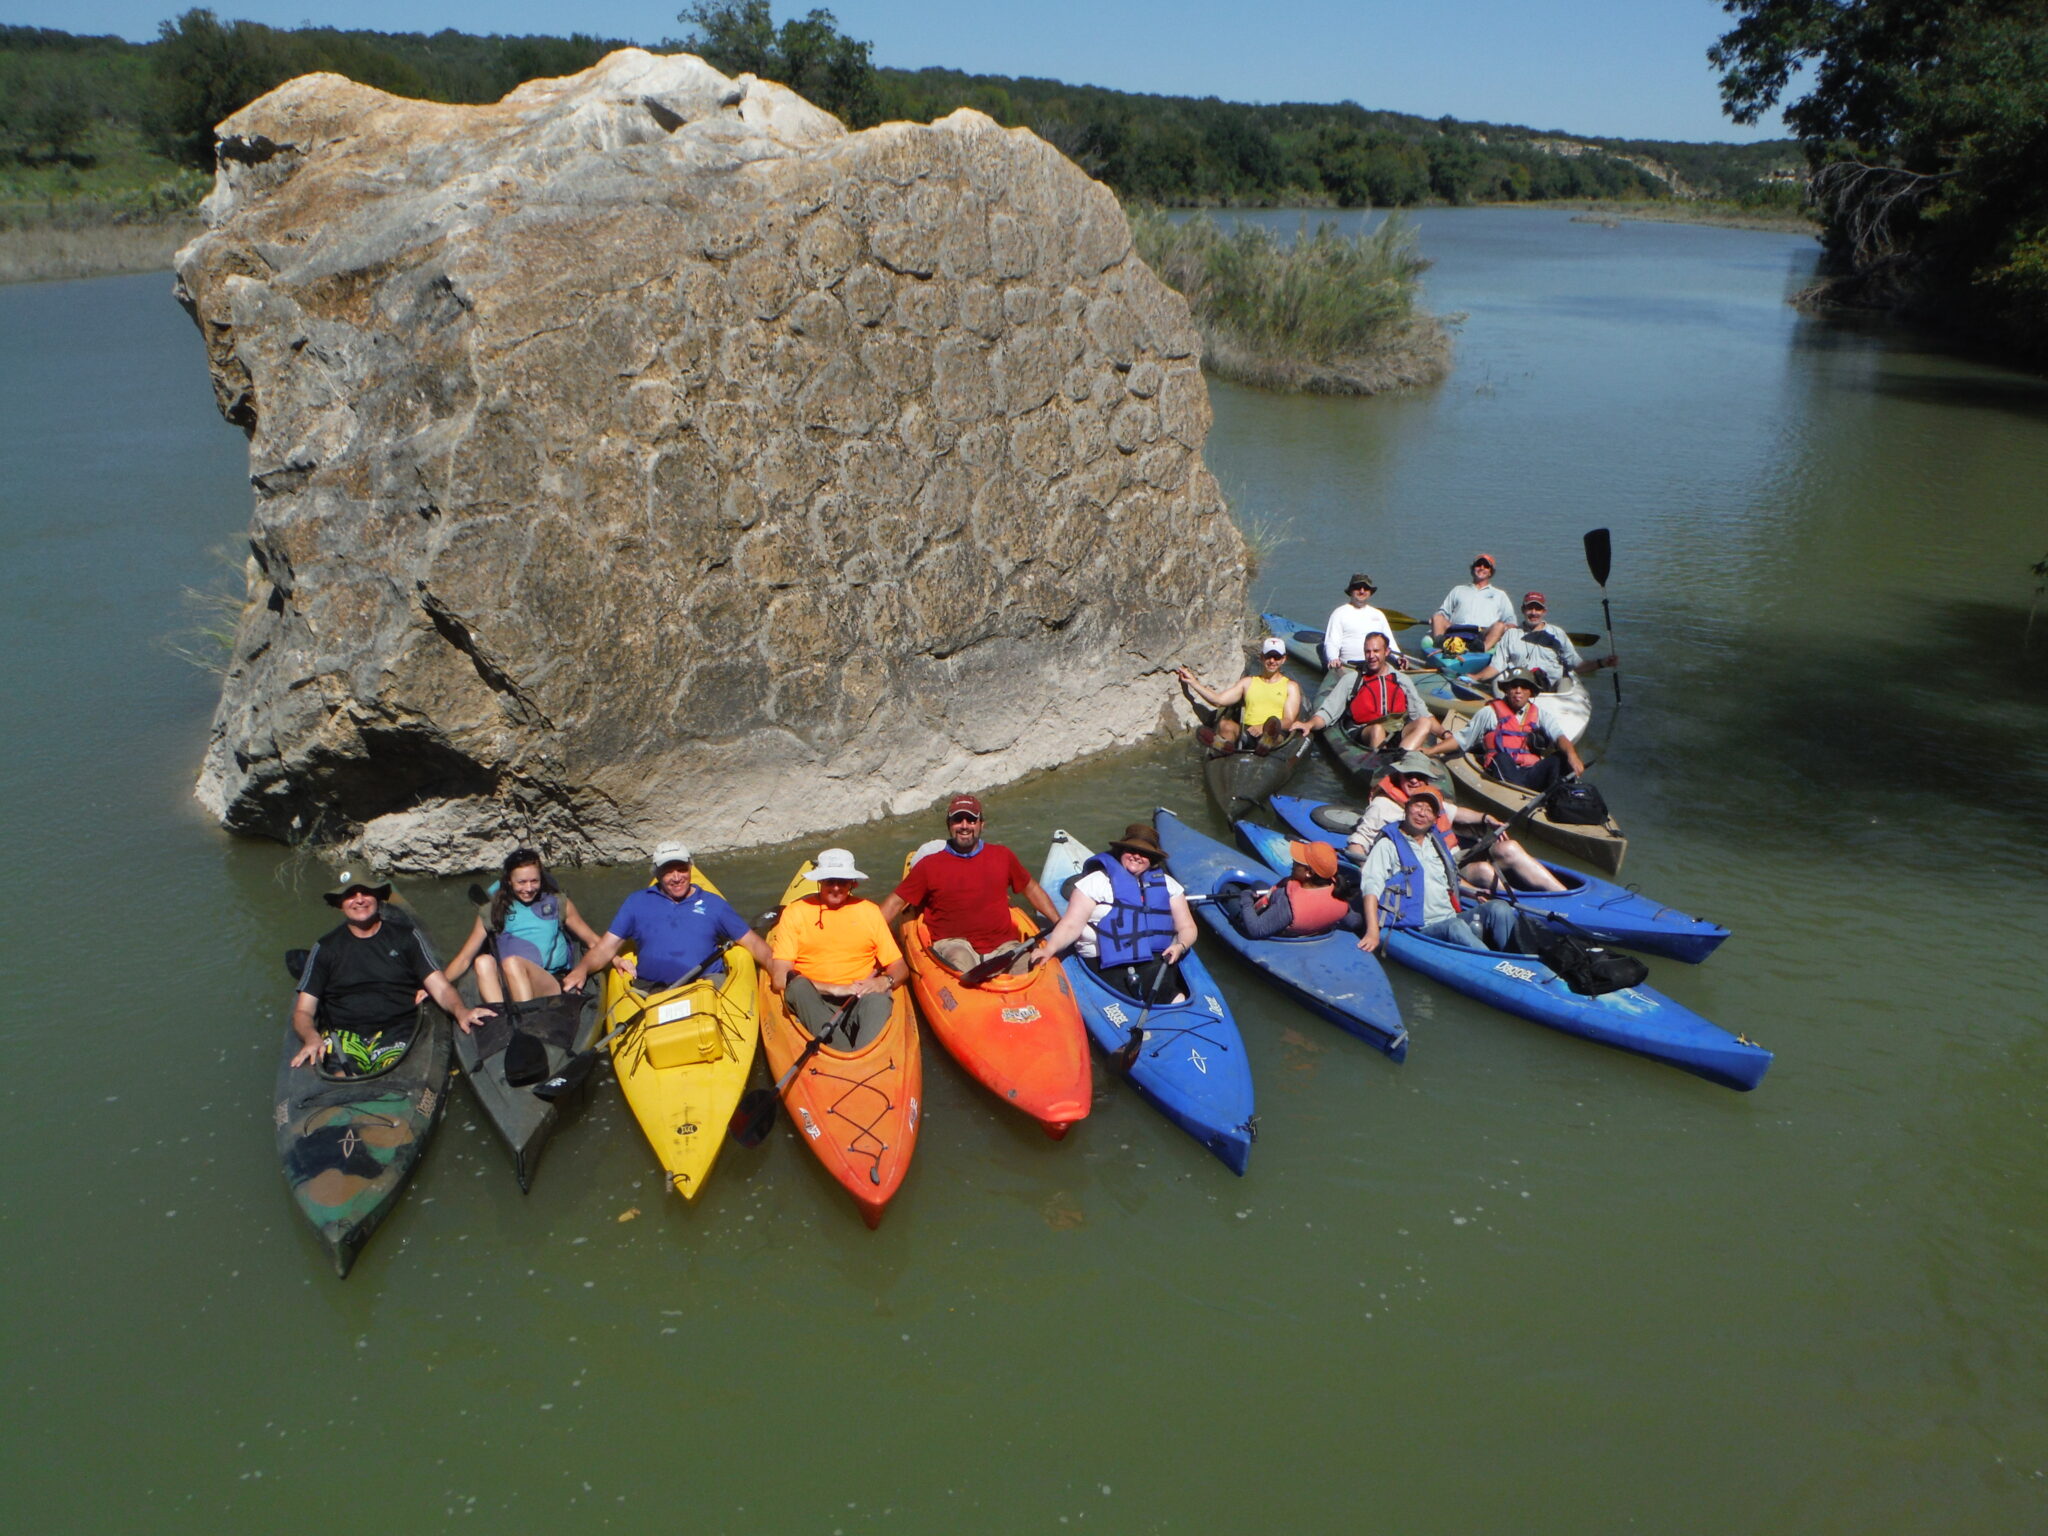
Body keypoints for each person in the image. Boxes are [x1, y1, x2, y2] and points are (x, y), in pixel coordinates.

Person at [290, 872, 495, 1074]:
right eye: (351, 895)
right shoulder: (325, 948)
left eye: (366, 892)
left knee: (394, 1070)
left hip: (398, 1029)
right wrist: (311, 1037)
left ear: (378, 897)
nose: (359, 900)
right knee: (341, 1074)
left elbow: (440, 988)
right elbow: (303, 1011)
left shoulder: (405, 937)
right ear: (339, 903)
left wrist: (461, 1011)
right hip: (344, 1032)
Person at [879, 794, 1061, 977]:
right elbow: (895, 902)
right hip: (954, 945)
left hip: (1004, 947)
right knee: (960, 959)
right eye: (958, 820)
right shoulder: (928, 866)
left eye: (971, 820)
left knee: (1026, 967)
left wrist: (1059, 922)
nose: (964, 825)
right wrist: (868, 937)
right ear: (949, 825)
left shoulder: (1002, 856)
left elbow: (1031, 889)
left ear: (982, 824)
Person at [561, 841, 772, 993]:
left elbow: (753, 943)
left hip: (705, 985)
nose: (677, 877)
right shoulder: (636, 903)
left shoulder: (714, 904)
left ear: (690, 868)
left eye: (682, 869)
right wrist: (582, 969)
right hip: (651, 988)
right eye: (668, 871)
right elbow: (606, 948)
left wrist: (775, 966)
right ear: (657, 874)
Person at [1344, 752, 1567, 894]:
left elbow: (1457, 812)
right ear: (1398, 776)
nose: (1414, 780)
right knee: (1484, 870)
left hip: (1455, 856)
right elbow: (1357, 843)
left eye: (1420, 776)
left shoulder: (1427, 799)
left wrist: (1485, 818)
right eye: (1409, 775)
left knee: (1509, 847)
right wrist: (1369, 875)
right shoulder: (1383, 806)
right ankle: (1518, 901)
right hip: (1439, 869)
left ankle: (1560, 893)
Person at [1033, 822, 1199, 1003]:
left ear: (1152, 859)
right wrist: (1049, 949)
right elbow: (1071, 925)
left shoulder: (1169, 886)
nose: (1137, 856)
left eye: (1144, 853)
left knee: (1172, 996)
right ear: (1121, 851)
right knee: (1130, 996)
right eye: (1131, 850)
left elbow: (1187, 926)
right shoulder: (1095, 883)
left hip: (1154, 959)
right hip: (1104, 961)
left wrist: (1180, 946)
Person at [768, 848, 909, 1042]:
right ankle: (844, 1052)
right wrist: (834, 988)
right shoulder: (795, 913)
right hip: (812, 999)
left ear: (852, 883)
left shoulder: (870, 912)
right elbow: (780, 978)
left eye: (842, 881)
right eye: (830, 881)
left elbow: (900, 968)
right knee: (798, 986)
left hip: (860, 998)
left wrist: (885, 981)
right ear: (820, 881)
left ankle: (859, 1053)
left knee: (879, 999)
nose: (835, 888)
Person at [1355, 790, 1520, 955]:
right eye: (1418, 806)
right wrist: (1372, 931)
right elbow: (1371, 887)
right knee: (1455, 926)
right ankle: (1493, 962)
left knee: (1499, 907)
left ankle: (1515, 959)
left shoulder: (1436, 844)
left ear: (1435, 819)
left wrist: (1474, 892)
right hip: (1419, 926)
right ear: (1406, 808)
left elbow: (1450, 880)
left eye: (1429, 810)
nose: (1422, 813)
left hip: (1449, 916)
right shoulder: (1387, 845)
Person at [444, 848, 602, 1004]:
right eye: (522, 882)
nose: (529, 888)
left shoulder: (558, 903)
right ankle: (500, 1013)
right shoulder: (491, 911)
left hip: (550, 982)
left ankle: (527, 1015)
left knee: (512, 963)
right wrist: (439, 987)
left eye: (534, 881)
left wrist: (596, 965)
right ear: (509, 881)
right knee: (482, 962)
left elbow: (594, 942)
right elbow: (464, 959)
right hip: (508, 985)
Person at [1300, 632, 1459, 756]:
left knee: (1424, 722)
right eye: (1367, 651)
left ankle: (1404, 758)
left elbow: (1423, 713)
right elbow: (1328, 712)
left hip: (1396, 730)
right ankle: (1380, 765)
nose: (1371, 656)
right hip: (1365, 731)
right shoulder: (1352, 680)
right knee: (1377, 729)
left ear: (1386, 652)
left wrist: (1444, 734)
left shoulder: (1401, 679)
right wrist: (1309, 724)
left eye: (1376, 651)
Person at [1452, 669, 1588, 792]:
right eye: (1513, 686)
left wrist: (1572, 755)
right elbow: (1461, 740)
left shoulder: (1541, 715)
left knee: (1560, 758)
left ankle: (1563, 794)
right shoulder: (1489, 713)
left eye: (1524, 687)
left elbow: (1559, 737)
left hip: (1531, 772)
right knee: (1502, 758)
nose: (1518, 691)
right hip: (1505, 771)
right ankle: (1517, 793)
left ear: (1531, 692)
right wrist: (1438, 749)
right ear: (1506, 690)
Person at [1175, 639, 1305, 751]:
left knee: (1273, 733)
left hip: (1273, 731)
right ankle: (1224, 747)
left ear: (1283, 659)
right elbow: (1218, 701)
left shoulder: (1290, 686)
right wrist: (1193, 682)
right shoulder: (1247, 682)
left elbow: (1289, 721)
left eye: (1276, 657)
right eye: (1268, 656)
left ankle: (1265, 744)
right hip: (1248, 731)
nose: (1272, 661)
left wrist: (1263, 727)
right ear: (1261, 657)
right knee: (1225, 725)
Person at [1470, 592, 1617, 689]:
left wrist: (1602, 663)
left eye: (1538, 609)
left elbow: (1577, 666)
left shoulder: (1557, 634)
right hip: (1519, 688)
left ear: (1544, 611)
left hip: (1550, 688)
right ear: (1522, 610)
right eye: (1530, 608)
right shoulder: (1511, 635)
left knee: (1565, 683)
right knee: (1498, 681)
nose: (1534, 613)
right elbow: (1496, 666)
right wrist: (1475, 677)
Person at [1229, 838, 1363, 940]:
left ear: (1309, 872)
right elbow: (1354, 922)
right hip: (1307, 932)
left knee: (1230, 889)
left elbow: (1255, 930)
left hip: (1275, 932)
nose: (1292, 863)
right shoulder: (1337, 890)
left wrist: (1246, 898)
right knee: (1258, 885)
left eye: (1297, 863)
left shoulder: (1288, 902)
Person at [1430, 552, 1517, 654]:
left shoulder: (1500, 594)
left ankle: (1482, 649)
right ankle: (1441, 647)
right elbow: (1443, 612)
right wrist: (1435, 620)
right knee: (1437, 617)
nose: (1482, 568)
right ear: (1473, 568)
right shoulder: (1458, 590)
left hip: (1482, 634)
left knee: (1500, 625)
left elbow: (1511, 621)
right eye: (1478, 565)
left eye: (1486, 566)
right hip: (1456, 630)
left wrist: (1506, 628)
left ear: (1490, 572)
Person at [1320, 574, 1404, 670]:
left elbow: (1390, 642)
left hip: (1377, 665)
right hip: (1351, 666)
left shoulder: (1379, 615)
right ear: (1351, 591)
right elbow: (1332, 643)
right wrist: (1333, 658)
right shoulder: (1339, 614)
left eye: (1366, 588)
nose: (1362, 591)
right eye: (1358, 587)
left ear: (1370, 592)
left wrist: (1399, 657)